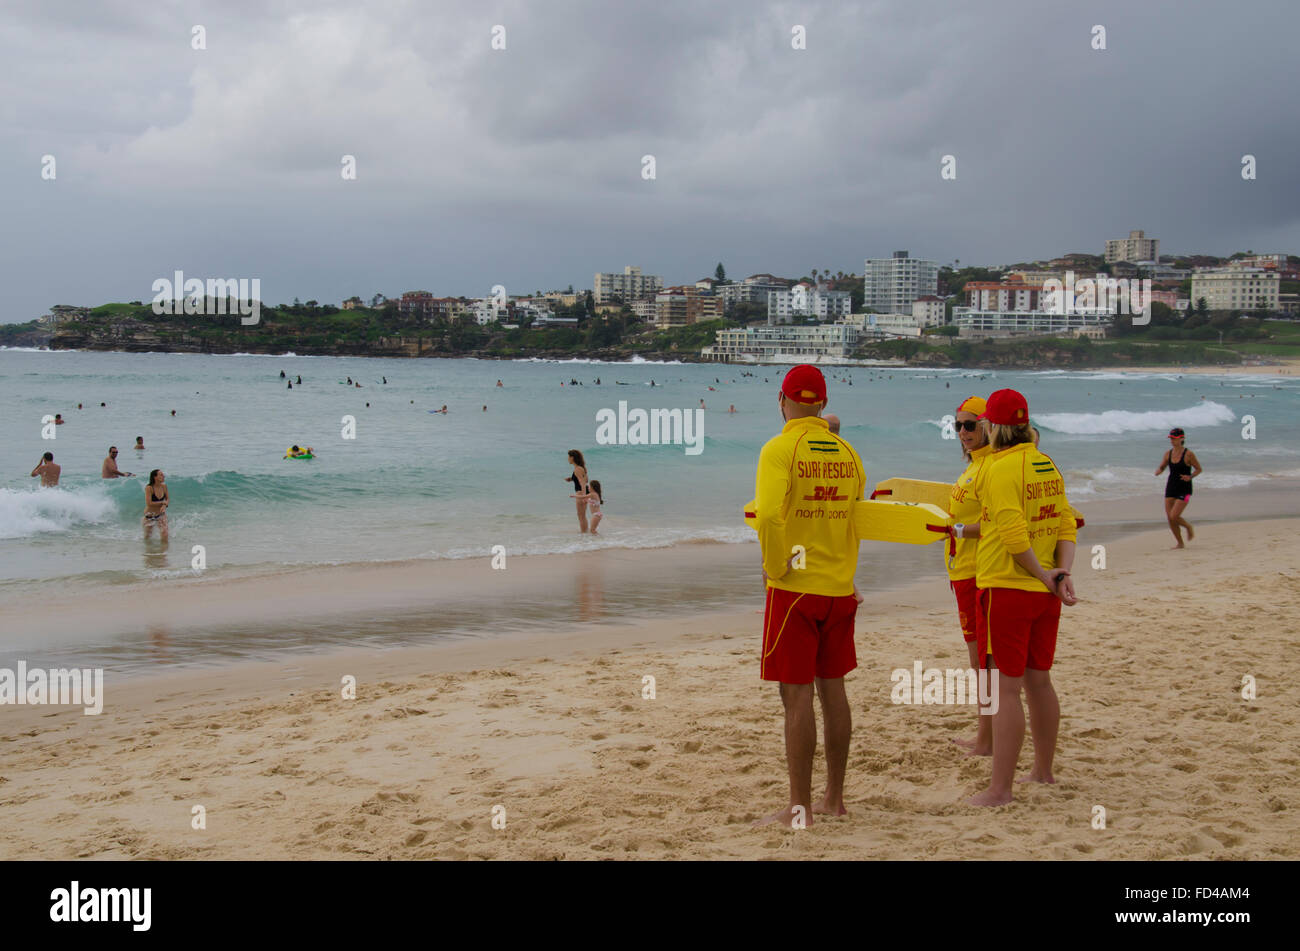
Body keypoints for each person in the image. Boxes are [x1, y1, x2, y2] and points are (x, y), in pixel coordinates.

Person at [752, 365, 866, 828]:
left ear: (783, 400)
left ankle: (799, 809)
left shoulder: (779, 448)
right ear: (821, 402)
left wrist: (775, 567)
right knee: (833, 690)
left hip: (796, 588)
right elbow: (856, 518)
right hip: (839, 587)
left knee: (795, 697)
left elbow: (769, 519)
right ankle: (834, 799)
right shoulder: (849, 452)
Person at [968, 389, 1078, 807]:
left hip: (1007, 587)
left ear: (993, 428)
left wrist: (1042, 573)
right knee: (1039, 680)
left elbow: (1013, 535)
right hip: (1045, 589)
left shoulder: (998, 469)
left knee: (1005, 689)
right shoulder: (1045, 461)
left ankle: (1000, 790)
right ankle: (1043, 771)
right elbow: (1066, 520)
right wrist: (1060, 573)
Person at [944, 397, 994, 756]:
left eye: (970, 425)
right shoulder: (974, 464)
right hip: (963, 571)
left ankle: (987, 739)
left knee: (984, 663)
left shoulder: (990, 466)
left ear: (988, 425)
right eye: (958, 426)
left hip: (981, 573)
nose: (963, 432)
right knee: (979, 662)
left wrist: (958, 530)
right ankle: (986, 734)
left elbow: (996, 521)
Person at [1155, 427, 1202, 549]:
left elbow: (1199, 469)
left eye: (1174, 438)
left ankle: (1188, 527)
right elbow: (1163, 466)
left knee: (1174, 516)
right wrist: (1159, 471)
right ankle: (1180, 543)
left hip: (1185, 489)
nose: (1172, 441)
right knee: (1170, 519)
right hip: (1171, 487)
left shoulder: (1189, 454)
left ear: (1182, 439)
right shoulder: (1168, 454)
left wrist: (1190, 476)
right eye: (1171, 438)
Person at [565, 450, 591, 534]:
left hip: (581, 492)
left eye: (568, 457)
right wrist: (572, 479)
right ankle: (585, 532)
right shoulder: (580, 468)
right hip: (584, 492)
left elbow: (583, 482)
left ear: (572, 458)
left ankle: (584, 533)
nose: (568, 459)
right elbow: (585, 479)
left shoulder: (578, 469)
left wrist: (583, 496)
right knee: (582, 515)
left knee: (581, 515)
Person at [143, 469, 169, 540]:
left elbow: (167, 499)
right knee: (147, 537)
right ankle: (148, 550)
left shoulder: (164, 486)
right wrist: (162, 502)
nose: (163, 476)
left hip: (161, 515)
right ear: (155, 477)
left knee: (165, 535)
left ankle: (164, 550)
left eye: (163, 474)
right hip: (149, 516)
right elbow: (149, 503)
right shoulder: (149, 488)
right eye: (161, 475)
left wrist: (164, 505)